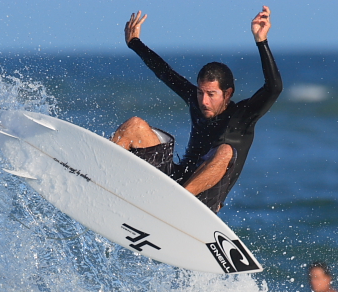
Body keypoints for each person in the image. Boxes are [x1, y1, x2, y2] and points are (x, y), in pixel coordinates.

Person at [111, 6, 282, 213]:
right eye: (201, 92)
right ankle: (100, 176)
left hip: (201, 200)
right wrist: (134, 43)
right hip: (173, 182)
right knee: (135, 125)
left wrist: (261, 41)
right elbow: (165, 72)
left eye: (211, 94)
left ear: (227, 94)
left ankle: (175, 202)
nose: (204, 101)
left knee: (226, 150)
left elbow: (273, 87)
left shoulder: (243, 115)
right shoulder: (196, 100)